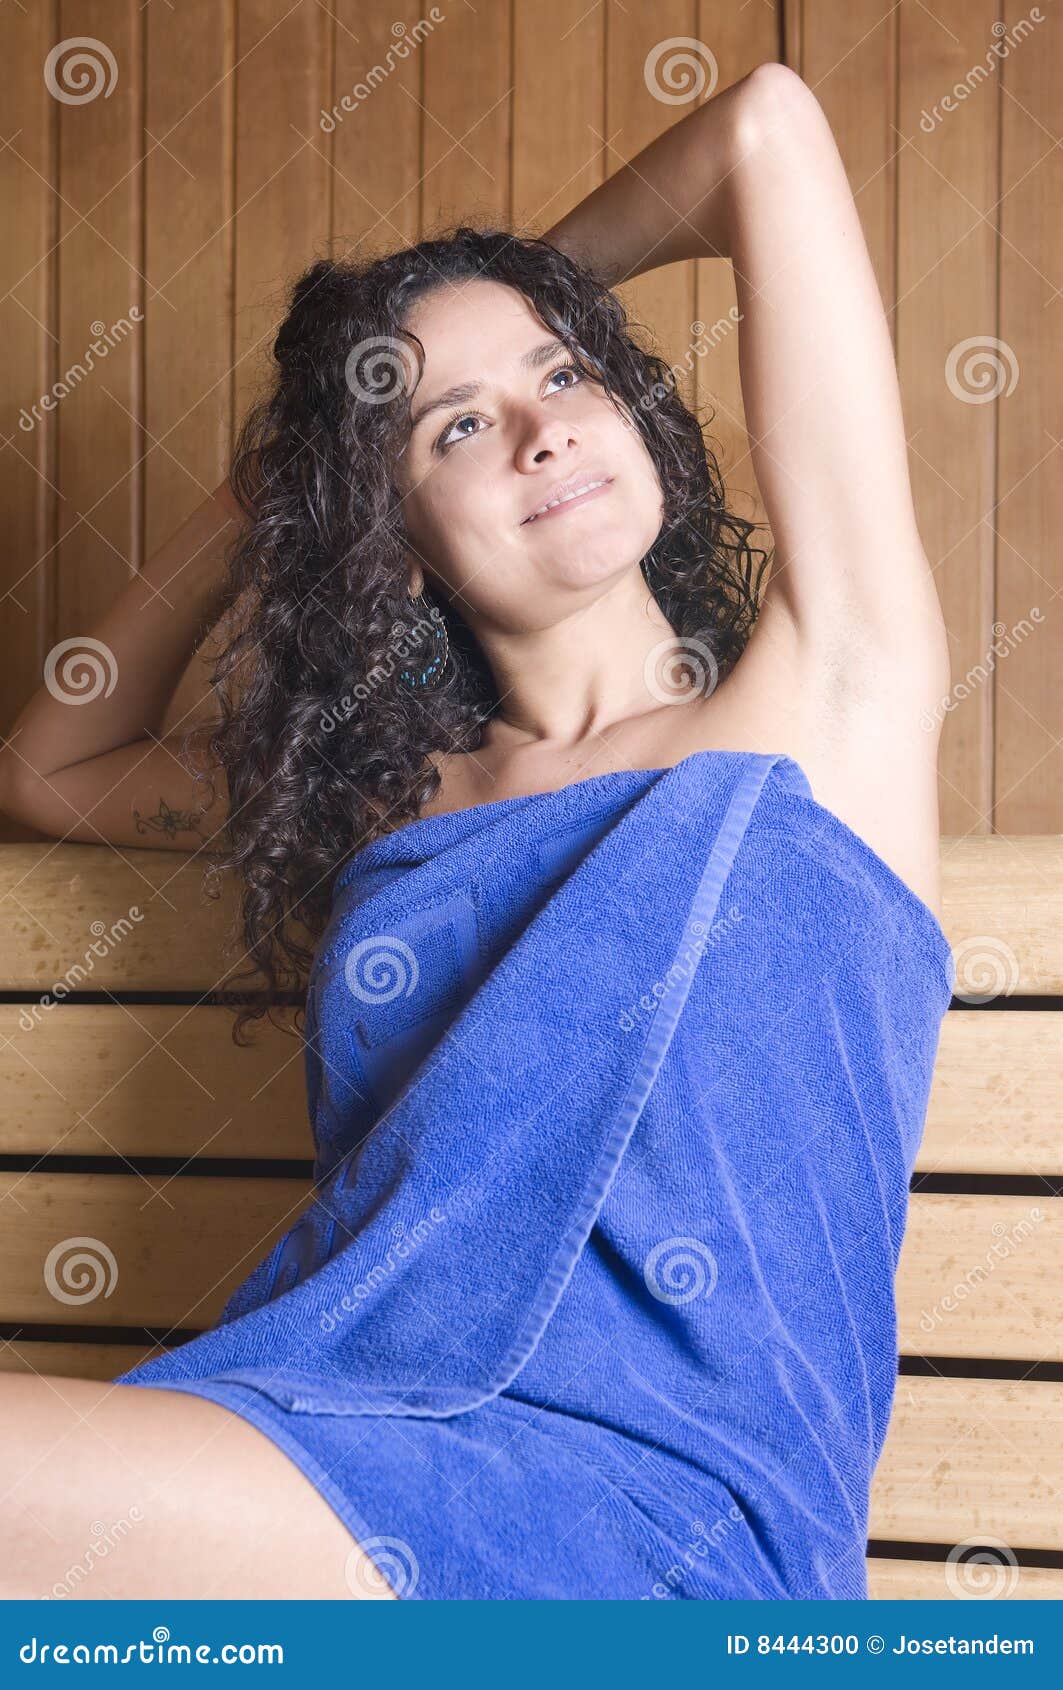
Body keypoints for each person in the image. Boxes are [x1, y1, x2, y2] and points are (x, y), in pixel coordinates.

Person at [0, 63, 950, 1600]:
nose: (541, 429)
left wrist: (506, 294)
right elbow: (54, 762)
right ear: (390, 535)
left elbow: (764, 123)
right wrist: (287, 479)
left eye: (566, 372)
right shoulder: (391, 793)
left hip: (665, 1537)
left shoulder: (834, 687)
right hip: (334, 1436)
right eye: (453, 425)